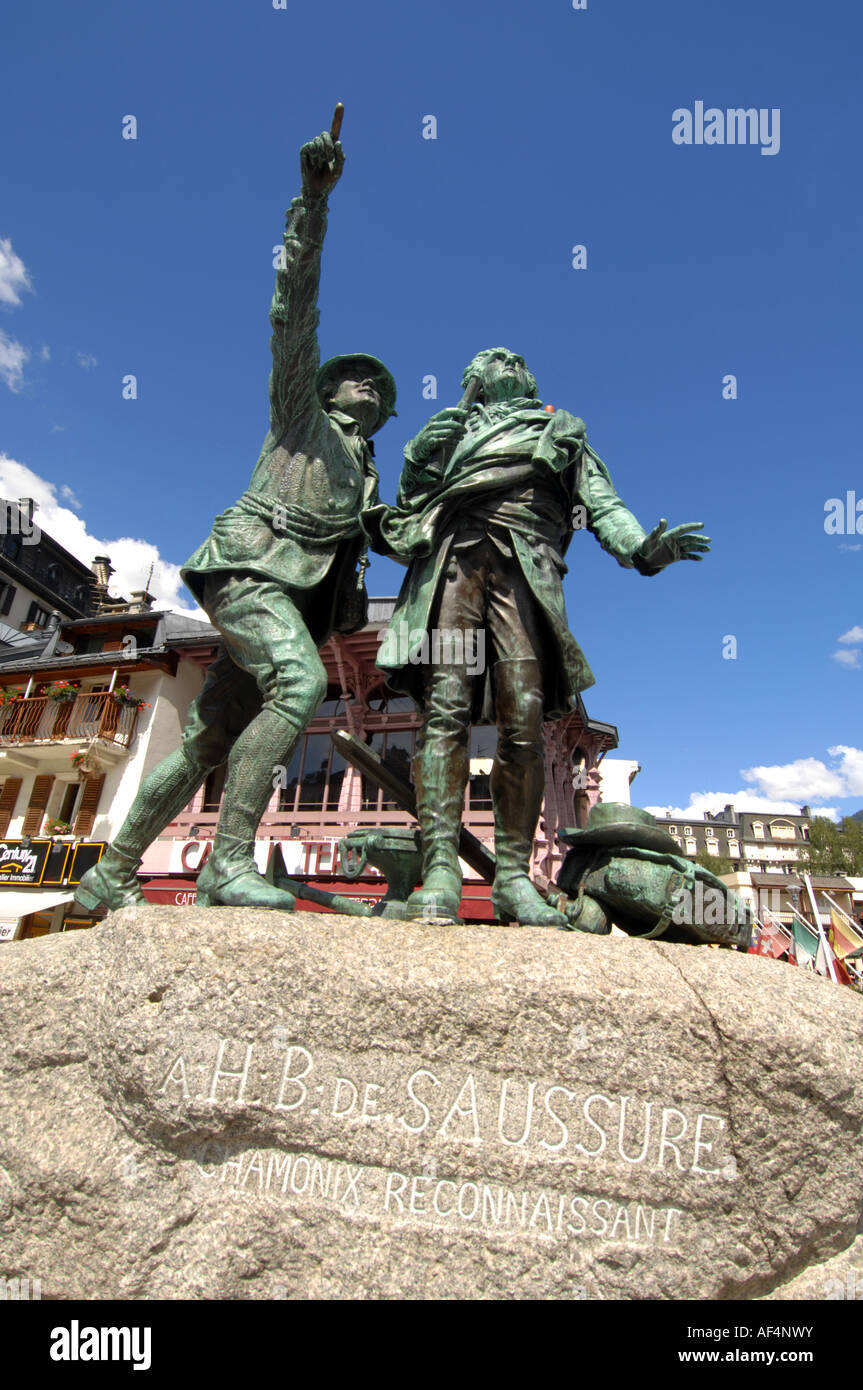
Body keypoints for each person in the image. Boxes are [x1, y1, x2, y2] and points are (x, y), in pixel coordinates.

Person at [76, 125, 396, 914]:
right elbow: (294, 311)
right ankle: (226, 864)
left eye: (378, 392)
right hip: (250, 567)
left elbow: (397, 534)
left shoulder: (365, 479)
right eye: (354, 381)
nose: (367, 390)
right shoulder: (300, 413)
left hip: (290, 599)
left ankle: (109, 871)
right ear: (325, 391)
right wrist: (311, 207)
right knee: (299, 681)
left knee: (208, 740)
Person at [375, 348, 708, 926]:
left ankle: (510, 878)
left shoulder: (561, 431)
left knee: (524, 721)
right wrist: (421, 454)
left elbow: (602, 504)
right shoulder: (448, 433)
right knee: (445, 711)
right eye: (493, 359)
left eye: (515, 358)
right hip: (453, 569)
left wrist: (641, 551)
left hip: (527, 572)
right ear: (473, 383)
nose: (508, 361)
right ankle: (440, 871)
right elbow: (409, 511)